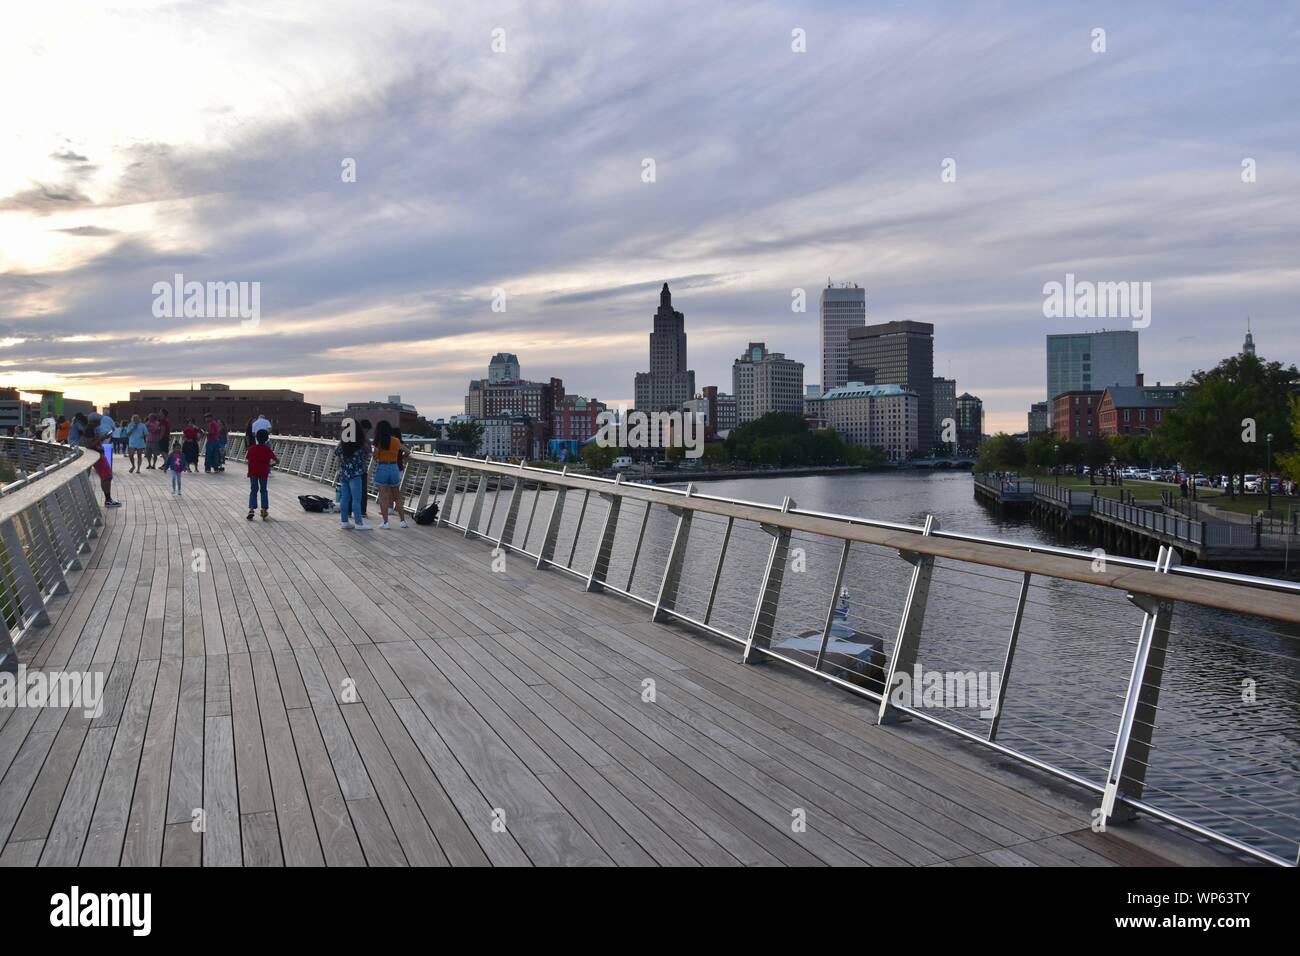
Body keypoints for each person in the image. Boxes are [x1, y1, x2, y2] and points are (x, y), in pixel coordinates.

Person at [371, 420, 408, 529]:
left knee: (383, 498)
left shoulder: (378, 441)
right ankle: (403, 521)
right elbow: (407, 452)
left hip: (382, 467)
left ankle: (386, 523)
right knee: (397, 496)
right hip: (394, 467)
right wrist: (399, 457)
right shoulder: (396, 440)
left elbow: (375, 457)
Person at [334, 425, 371, 530]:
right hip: (355, 475)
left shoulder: (341, 446)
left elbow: (337, 457)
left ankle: (344, 522)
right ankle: (359, 523)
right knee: (356, 499)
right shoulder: (359, 446)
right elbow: (367, 455)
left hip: (344, 474)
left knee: (344, 499)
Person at [245, 428, 278, 520]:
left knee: (253, 490)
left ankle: (251, 509)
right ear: (267, 438)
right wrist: (271, 465)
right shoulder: (267, 449)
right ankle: (264, 509)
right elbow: (276, 460)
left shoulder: (251, 449)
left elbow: (248, 458)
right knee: (263, 490)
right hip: (263, 472)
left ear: (256, 437)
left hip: (253, 472)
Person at [86, 428, 120, 507]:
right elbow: (90, 445)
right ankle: (108, 500)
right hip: (98, 455)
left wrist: (103, 438)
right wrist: (102, 438)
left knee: (105, 477)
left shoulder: (91, 429)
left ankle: (108, 499)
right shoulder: (89, 430)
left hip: (98, 454)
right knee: (107, 477)